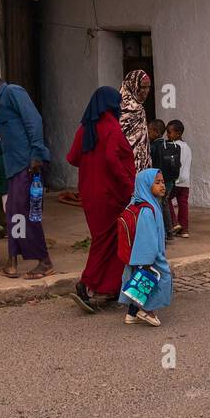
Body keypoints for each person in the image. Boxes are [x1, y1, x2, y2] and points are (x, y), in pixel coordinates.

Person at [0, 67, 53, 280]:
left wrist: (37, 154)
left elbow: (34, 121)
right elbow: (10, 140)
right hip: (15, 167)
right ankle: (12, 262)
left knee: (26, 214)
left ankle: (44, 262)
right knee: (13, 214)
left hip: (28, 165)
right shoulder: (1, 104)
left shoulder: (12, 92)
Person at [66, 86, 136, 313]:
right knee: (108, 241)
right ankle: (87, 284)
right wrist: (131, 188)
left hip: (89, 194)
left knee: (105, 239)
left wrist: (90, 161)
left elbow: (73, 158)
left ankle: (109, 288)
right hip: (111, 195)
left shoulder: (84, 130)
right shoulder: (112, 129)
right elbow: (115, 163)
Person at [119, 168, 173, 326]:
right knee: (161, 279)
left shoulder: (145, 203)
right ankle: (147, 311)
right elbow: (147, 238)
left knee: (137, 281)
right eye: (157, 183)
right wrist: (148, 262)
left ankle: (132, 314)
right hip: (150, 256)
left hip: (141, 256)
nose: (162, 185)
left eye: (162, 182)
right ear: (145, 185)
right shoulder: (147, 211)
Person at [119, 70, 152, 171]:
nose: (146, 91)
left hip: (140, 161)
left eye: (148, 87)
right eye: (142, 87)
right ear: (132, 85)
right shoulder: (123, 107)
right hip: (128, 162)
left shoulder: (139, 107)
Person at [166, 120, 192, 238]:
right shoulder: (187, 147)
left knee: (166, 199)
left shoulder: (174, 146)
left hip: (176, 179)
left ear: (178, 133)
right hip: (185, 181)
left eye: (169, 132)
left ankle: (175, 223)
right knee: (183, 204)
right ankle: (184, 230)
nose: (167, 135)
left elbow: (174, 164)